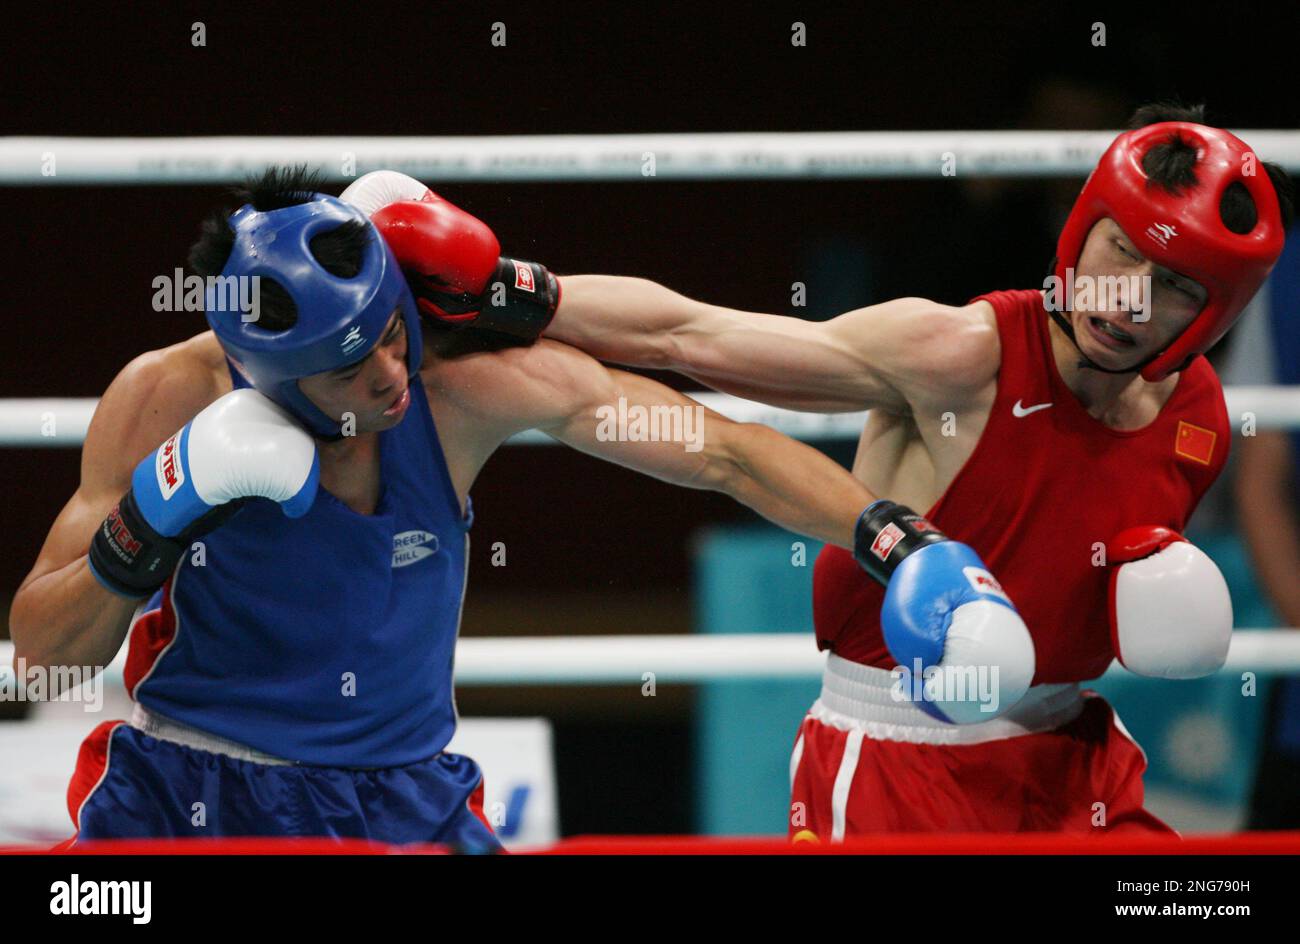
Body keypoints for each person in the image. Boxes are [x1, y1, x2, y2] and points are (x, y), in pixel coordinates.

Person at [9, 167, 1027, 847]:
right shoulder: (163, 399)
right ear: (258, 371)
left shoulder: (457, 380)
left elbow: (715, 449)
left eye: (392, 334)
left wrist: (892, 535)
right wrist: (150, 516)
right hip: (187, 789)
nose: (391, 373)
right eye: (352, 368)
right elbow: (42, 649)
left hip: (402, 792)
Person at [539, 103, 1295, 835]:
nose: (1128, 297)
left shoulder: (1196, 416)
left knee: (1207, 902)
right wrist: (517, 295)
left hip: (1074, 766)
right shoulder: (963, 356)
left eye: (1174, 284)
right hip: (898, 766)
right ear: (1080, 226)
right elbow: (688, 334)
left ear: (1217, 312)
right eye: (1122, 250)